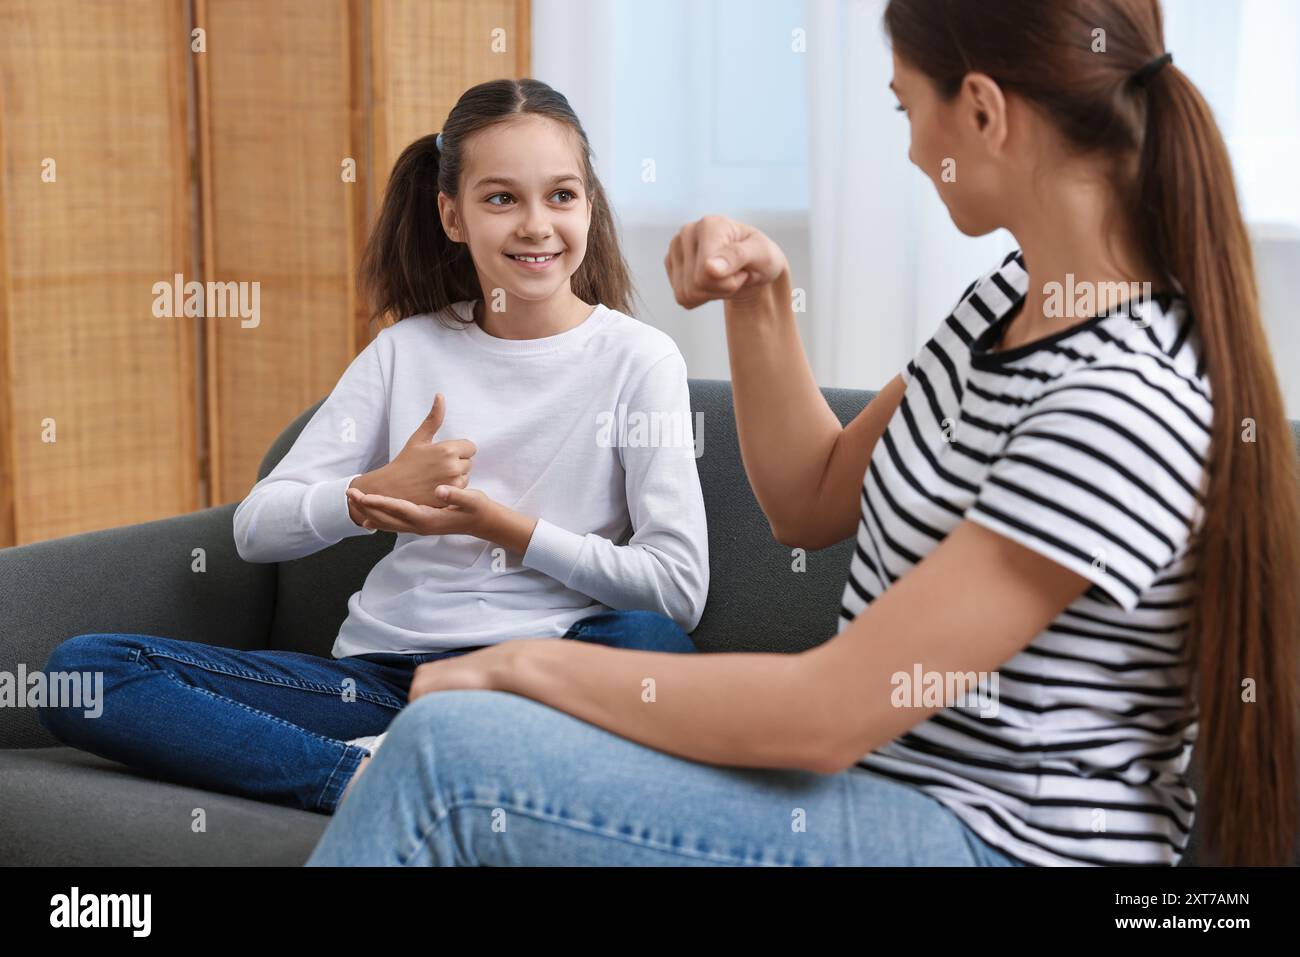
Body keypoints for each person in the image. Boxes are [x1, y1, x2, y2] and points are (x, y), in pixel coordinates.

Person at [306, 0, 1298, 867]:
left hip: (994, 842)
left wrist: (518, 666)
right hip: (886, 798)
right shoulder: (1004, 305)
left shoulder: (1117, 399)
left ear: (985, 112)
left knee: (447, 761)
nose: (911, 147)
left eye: (909, 109)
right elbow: (811, 497)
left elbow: (825, 716)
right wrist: (761, 299)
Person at [37, 78, 708, 816]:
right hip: (385, 682)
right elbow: (257, 527)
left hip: (547, 669)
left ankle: (442, 753)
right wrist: (373, 495)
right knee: (89, 672)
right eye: (500, 199)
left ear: (589, 205)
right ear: (452, 214)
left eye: (561, 196)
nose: (536, 225)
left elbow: (677, 588)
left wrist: (501, 527)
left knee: (651, 647)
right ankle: (365, 779)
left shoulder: (639, 360)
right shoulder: (405, 352)